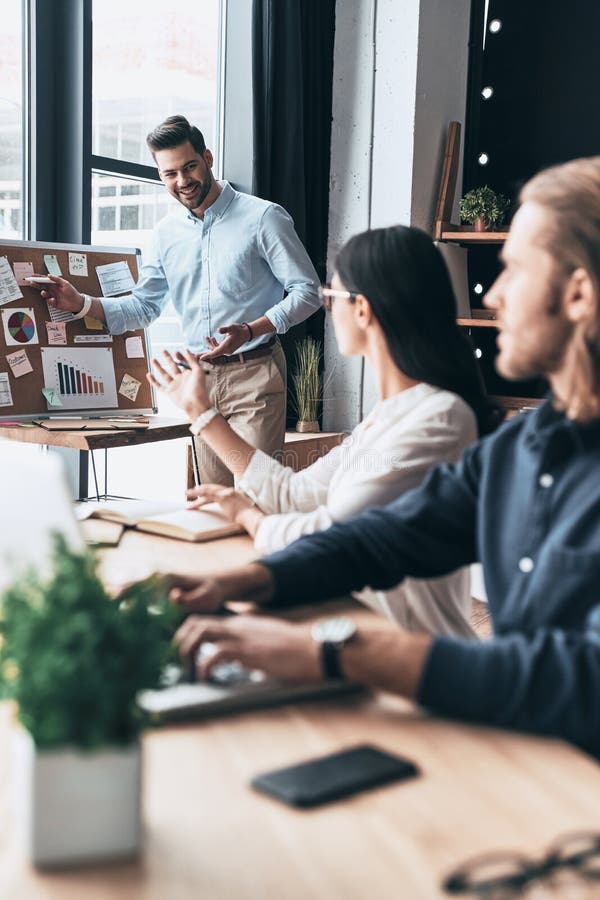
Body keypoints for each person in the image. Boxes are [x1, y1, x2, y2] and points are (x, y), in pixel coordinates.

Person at [167, 156, 600, 759]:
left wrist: (337, 650)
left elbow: (580, 677)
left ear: (578, 293)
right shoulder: (518, 448)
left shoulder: (451, 420)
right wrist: (233, 584)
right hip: (527, 762)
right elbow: (381, 539)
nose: (493, 295)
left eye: (514, 269)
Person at [150, 226, 498, 636]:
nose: (327, 309)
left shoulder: (439, 420)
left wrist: (249, 516)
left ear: (363, 309)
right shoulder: (388, 419)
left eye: (330, 296)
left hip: (414, 654)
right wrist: (203, 414)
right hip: (358, 631)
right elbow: (295, 495)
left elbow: (330, 537)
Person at [32, 115, 321, 485]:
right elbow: (143, 306)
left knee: (257, 494)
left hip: (255, 376)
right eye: (170, 174)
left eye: (190, 167)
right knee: (213, 501)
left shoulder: (263, 217)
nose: (182, 181)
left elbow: (307, 291)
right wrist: (81, 303)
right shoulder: (166, 234)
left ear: (208, 158)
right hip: (197, 380)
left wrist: (250, 330)